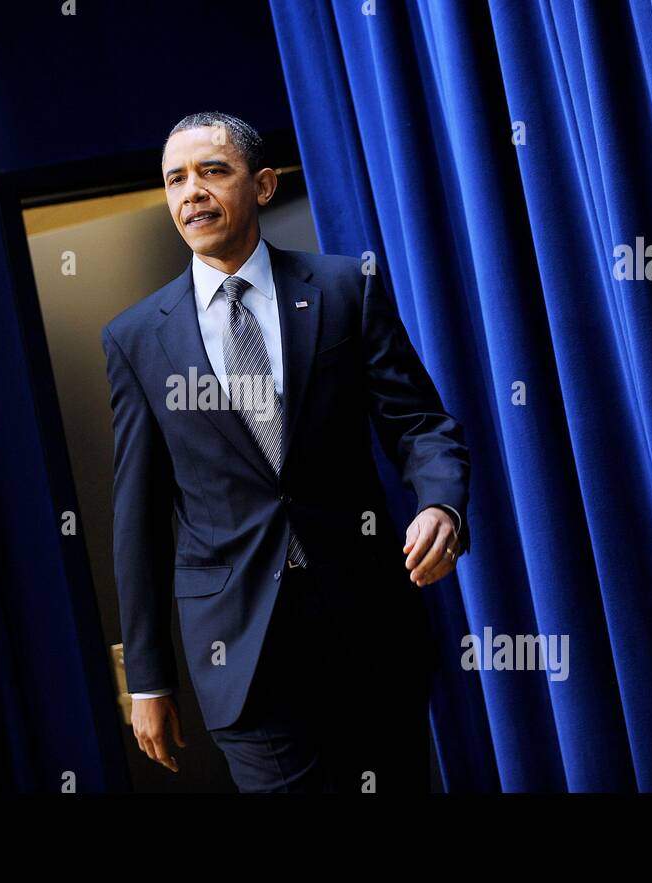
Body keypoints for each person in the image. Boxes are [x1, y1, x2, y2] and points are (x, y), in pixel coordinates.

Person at [101, 111, 470, 792]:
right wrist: (148, 680)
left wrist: (441, 502)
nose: (192, 193)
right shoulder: (135, 339)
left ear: (263, 184)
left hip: (369, 626)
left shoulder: (342, 289)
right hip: (242, 652)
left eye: (214, 171)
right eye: (175, 179)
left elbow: (420, 422)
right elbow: (139, 517)